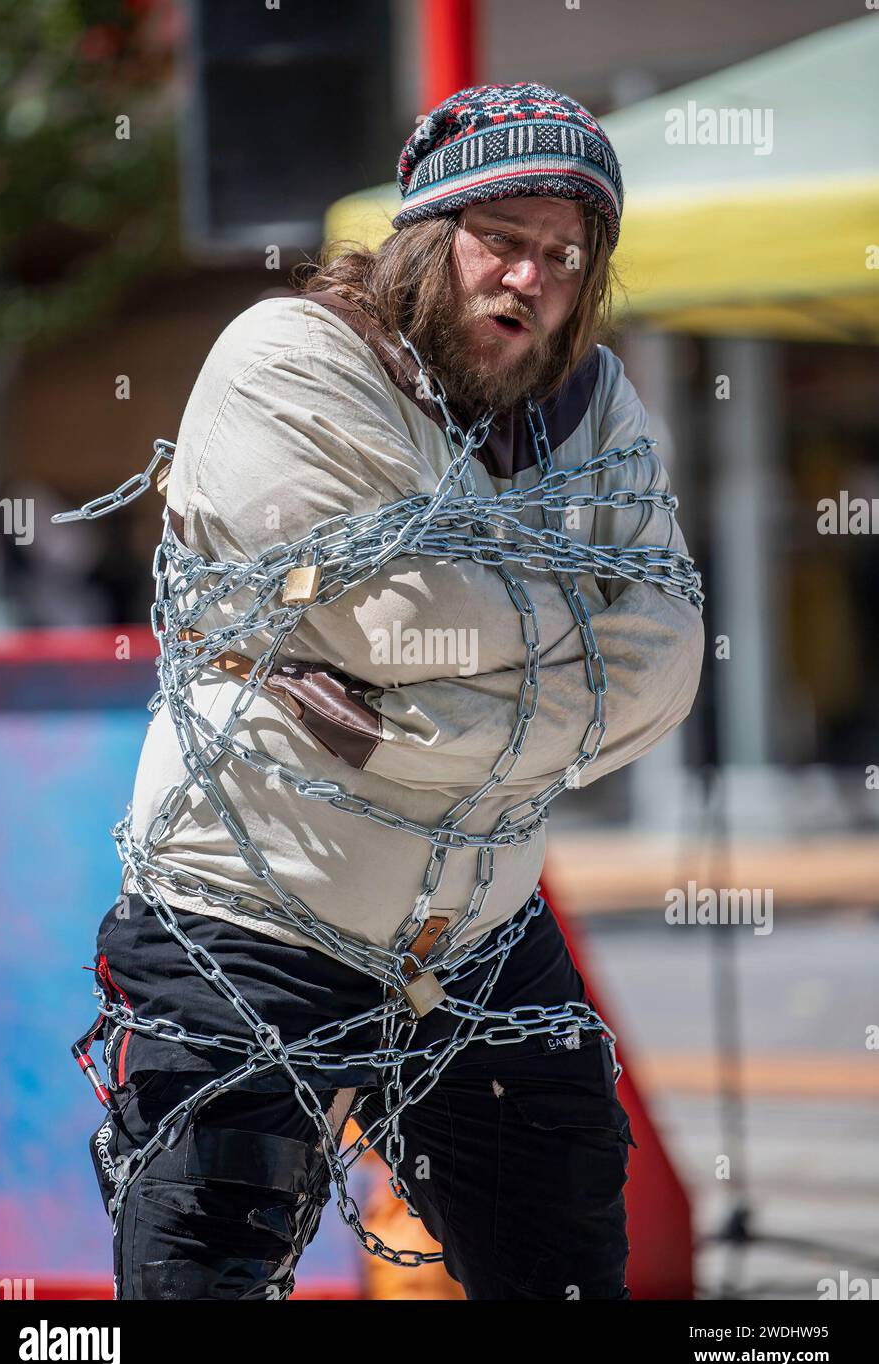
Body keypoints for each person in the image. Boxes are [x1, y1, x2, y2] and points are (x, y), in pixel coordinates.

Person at [85, 81, 705, 1301]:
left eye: (564, 257)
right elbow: (400, 622)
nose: (531, 280)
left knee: (567, 1259)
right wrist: (565, 635)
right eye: (503, 241)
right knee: (200, 1275)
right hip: (249, 917)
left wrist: (403, 730)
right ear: (430, 236)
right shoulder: (291, 359)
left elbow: (671, 653)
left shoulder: (593, 408)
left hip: (476, 933)